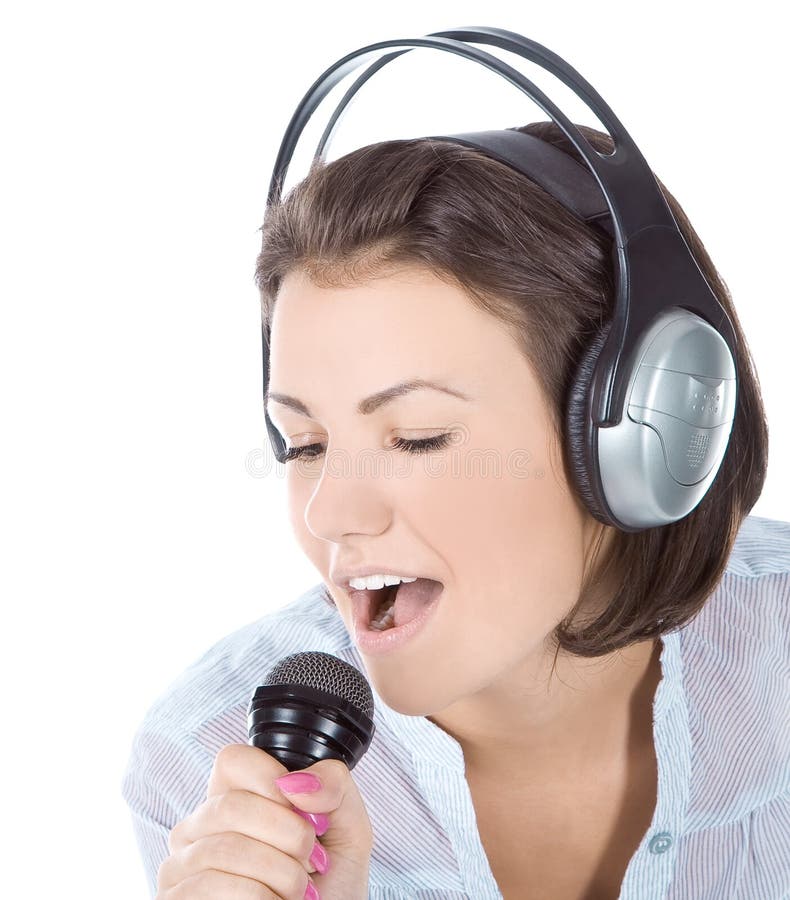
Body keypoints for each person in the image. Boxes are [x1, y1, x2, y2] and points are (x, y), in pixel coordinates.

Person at [122, 121, 789, 899]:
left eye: (417, 438)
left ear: (643, 427)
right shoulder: (210, 780)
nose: (330, 514)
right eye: (304, 445)